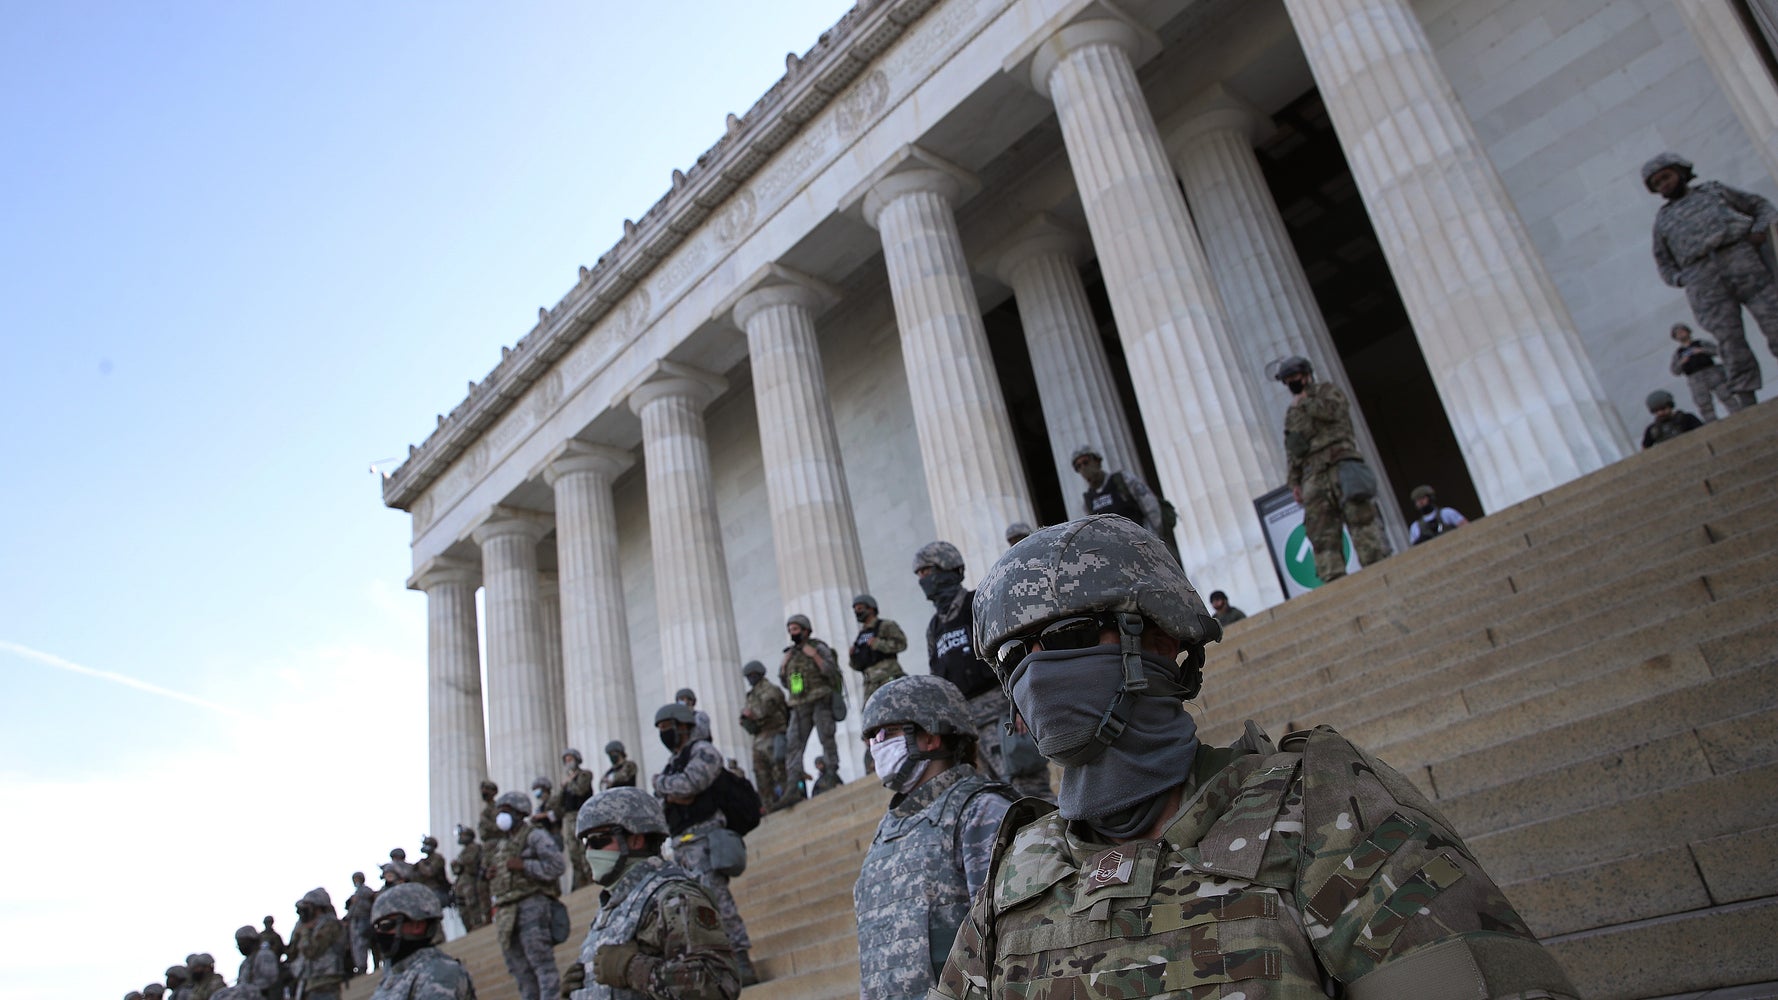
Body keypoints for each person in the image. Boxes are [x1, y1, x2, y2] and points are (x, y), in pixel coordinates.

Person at [931, 515, 1578, 999]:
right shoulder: (1019, 873)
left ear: (1160, 637)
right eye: (1014, 659)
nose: (1037, 673)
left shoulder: (1324, 810)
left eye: (1067, 635)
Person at [853, 676, 1015, 1000]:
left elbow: (1011, 948)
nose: (875, 747)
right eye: (870, 739)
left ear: (929, 737)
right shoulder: (889, 827)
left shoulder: (981, 812)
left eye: (884, 734)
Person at [560, 788, 741, 1000]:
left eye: (598, 840)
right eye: (585, 843)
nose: (589, 851)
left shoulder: (674, 897)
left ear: (636, 839)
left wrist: (631, 968)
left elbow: (720, 983)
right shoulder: (613, 906)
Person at [1646, 151, 1778, 409]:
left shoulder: (1714, 192)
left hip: (1742, 261)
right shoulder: (1662, 221)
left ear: (1680, 172)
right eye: (1657, 183)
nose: (1665, 184)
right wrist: (1681, 278)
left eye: (1667, 177)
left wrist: (1760, 229)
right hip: (1704, 282)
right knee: (1730, 341)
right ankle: (1746, 397)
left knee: (1775, 320)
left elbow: (1760, 206)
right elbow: (1664, 261)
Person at [652, 703, 759, 986]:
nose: (664, 734)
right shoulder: (673, 764)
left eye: (668, 728)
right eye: (660, 730)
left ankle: (741, 958)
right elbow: (668, 798)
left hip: (706, 841)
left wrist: (663, 784)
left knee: (717, 901)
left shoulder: (704, 752)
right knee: (689, 909)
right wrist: (669, 787)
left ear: (684, 726)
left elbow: (688, 787)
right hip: (681, 845)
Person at [1274, 355, 1391, 582]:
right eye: (1288, 381)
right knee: (1321, 530)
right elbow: (1293, 449)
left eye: (1295, 378)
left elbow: (1333, 413)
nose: (1292, 384)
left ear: (1307, 376)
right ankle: (1333, 578)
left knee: (1361, 517)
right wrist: (1294, 483)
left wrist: (1306, 402)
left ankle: (1379, 567)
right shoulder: (1292, 411)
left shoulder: (1328, 392)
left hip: (1341, 463)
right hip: (1313, 475)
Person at [914, 541, 1012, 785]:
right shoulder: (934, 627)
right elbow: (938, 681)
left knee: (1025, 786)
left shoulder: (976, 603)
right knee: (997, 797)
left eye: (927, 571)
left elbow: (1008, 654)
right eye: (919, 575)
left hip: (1000, 715)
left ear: (948, 568)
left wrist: (1019, 707)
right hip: (967, 727)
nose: (922, 580)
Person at [483, 790, 564, 1000]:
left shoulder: (534, 835)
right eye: (499, 811)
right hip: (505, 912)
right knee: (521, 972)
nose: (501, 816)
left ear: (520, 812)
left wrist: (525, 865)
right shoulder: (501, 845)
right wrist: (492, 874)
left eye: (506, 811)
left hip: (532, 904)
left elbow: (557, 865)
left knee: (542, 965)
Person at [366, 882, 477, 999]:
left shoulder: (438, 972)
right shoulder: (393, 978)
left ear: (417, 925)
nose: (380, 934)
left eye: (385, 925)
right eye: (376, 928)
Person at [777, 613, 840, 806]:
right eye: (790, 630)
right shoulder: (791, 654)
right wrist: (783, 666)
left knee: (826, 737)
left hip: (820, 700)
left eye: (795, 629)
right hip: (799, 704)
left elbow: (832, 671)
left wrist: (816, 658)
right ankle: (794, 785)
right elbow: (786, 683)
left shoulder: (818, 648)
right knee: (793, 744)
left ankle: (830, 774)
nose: (792, 633)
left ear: (805, 630)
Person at [1070, 446, 1163, 534]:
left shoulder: (1124, 480)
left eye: (1086, 462)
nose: (1083, 468)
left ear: (1097, 461)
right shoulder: (1088, 501)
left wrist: (1151, 538)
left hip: (1141, 540)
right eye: (1078, 466)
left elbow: (1152, 508)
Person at [738, 660, 788, 807]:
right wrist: (746, 720)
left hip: (774, 733)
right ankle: (769, 806)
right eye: (748, 676)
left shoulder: (770, 689)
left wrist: (750, 714)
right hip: (759, 739)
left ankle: (787, 799)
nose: (750, 679)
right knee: (762, 776)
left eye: (752, 675)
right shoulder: (751, 695)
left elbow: (766, 708)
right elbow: (748, 716)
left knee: (779, 771)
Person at [1669, 322, 1740, 422]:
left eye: (1682, 331)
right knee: (1704, 404)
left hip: (1712, 373)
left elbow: (1718, 351)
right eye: (1677, 333)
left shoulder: (1701, 343)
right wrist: (1681, 362)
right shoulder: (1678, 354)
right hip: (1695, 379)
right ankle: (1713, 425)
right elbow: (1674, 371)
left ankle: (1739, 416)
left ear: (1688, 332)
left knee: (1726, 396)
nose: (1680, 334)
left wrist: (1702, 350)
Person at [848, 594, 908, 710]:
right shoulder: (862, 635)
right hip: (870, 683)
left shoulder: (886, 625)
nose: (857, 612)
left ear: (870, 608)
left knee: (896, 710)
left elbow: (901, 644)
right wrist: (852, 657)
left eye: (860, 608)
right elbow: (859, 664)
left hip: (888, 676)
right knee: (872, 717)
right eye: (855, 609)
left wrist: (878, 644)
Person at [288, 888, 348, 1000]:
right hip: (309, 983)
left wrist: (305, 932)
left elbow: (312, 951)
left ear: (317, 907)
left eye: (307, 906)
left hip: (325, 983)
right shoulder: (308, 926)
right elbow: (291, 953)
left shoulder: (330, 924)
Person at [558, 749, 597, 890]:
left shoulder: (584, 775)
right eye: (566, 760)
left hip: (582, 813)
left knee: (584, 847)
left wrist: (570, 782)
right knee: (573, 849)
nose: (568, 763)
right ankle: (580, 881)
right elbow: (560, 802)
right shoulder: (566, 781)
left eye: (570, 759)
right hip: (569, 818)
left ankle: (591, 876)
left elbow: (581, 790)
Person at [450, 824, 491, 932]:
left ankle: (478, 925)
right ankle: (470, 928)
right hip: (462, 884)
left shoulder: (475, 848)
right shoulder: (463, 852)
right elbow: (457, 869)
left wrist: (458, 864)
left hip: (471, 882)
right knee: (463, 909)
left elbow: (470, 863)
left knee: (473, 905)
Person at [343, 870, 378, 974]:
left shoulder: (365, 891)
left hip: (366, 919)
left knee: (369, 944)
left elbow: (369, 900)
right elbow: (352, 909)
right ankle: (362, 967)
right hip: (356, 921)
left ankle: (373, 965)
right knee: (358, 946)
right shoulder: (355, 895)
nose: (356, 881)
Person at [232, 926, 280, 1000]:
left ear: (251, 941)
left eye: (241, 943)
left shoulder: (265, 955)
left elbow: (269, 982)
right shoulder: (245, 963)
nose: (239, 947)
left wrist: (246, 990)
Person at [413, 835, 454, 912]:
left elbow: (429, 872)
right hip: (426, 890)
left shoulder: (437, 858)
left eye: (426, 845)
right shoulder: (426, 860)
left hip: (436, 890)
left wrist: (421, 864)